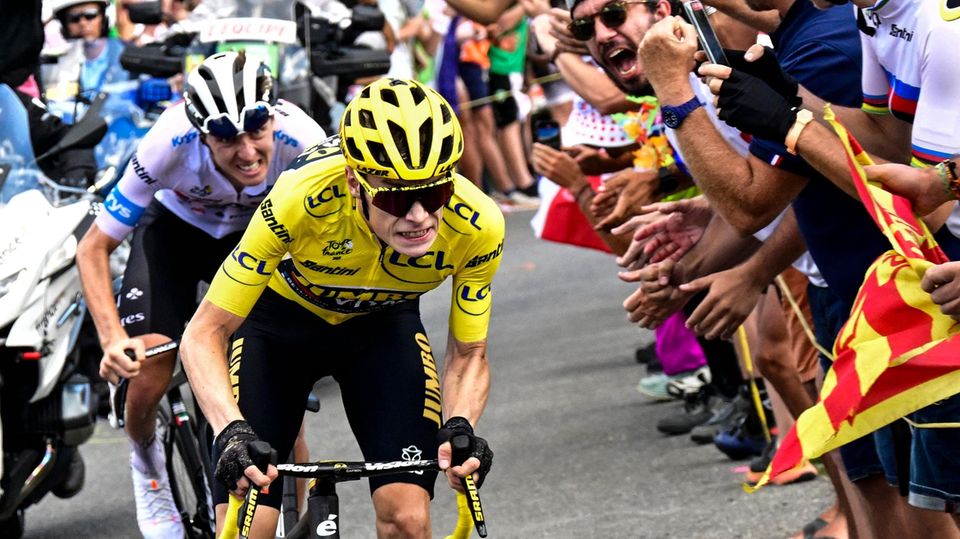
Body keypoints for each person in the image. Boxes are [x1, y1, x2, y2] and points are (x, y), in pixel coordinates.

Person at [179, 77, 502, 539]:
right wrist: (230, 430)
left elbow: (469, 354)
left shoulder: (479, 224)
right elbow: (204, 332)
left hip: (380, 330)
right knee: (251, 524)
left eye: (433, 193)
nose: (418, 216)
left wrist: (460, 424)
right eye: (394, 196)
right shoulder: (300, 199)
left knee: (408, 520)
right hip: (278, 327)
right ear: (354, 180)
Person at [76, 51, 326, 539]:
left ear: (274, 115)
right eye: (227, 138)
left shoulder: (305, 139)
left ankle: (298, 502)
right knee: (148, 370)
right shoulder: (165, 144)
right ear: (199, 133)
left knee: (272, 368)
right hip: (175, 235)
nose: (248, 151)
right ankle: (146, 461)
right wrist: (111, 340)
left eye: (257, 129)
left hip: (254, 239)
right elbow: (94, 247)